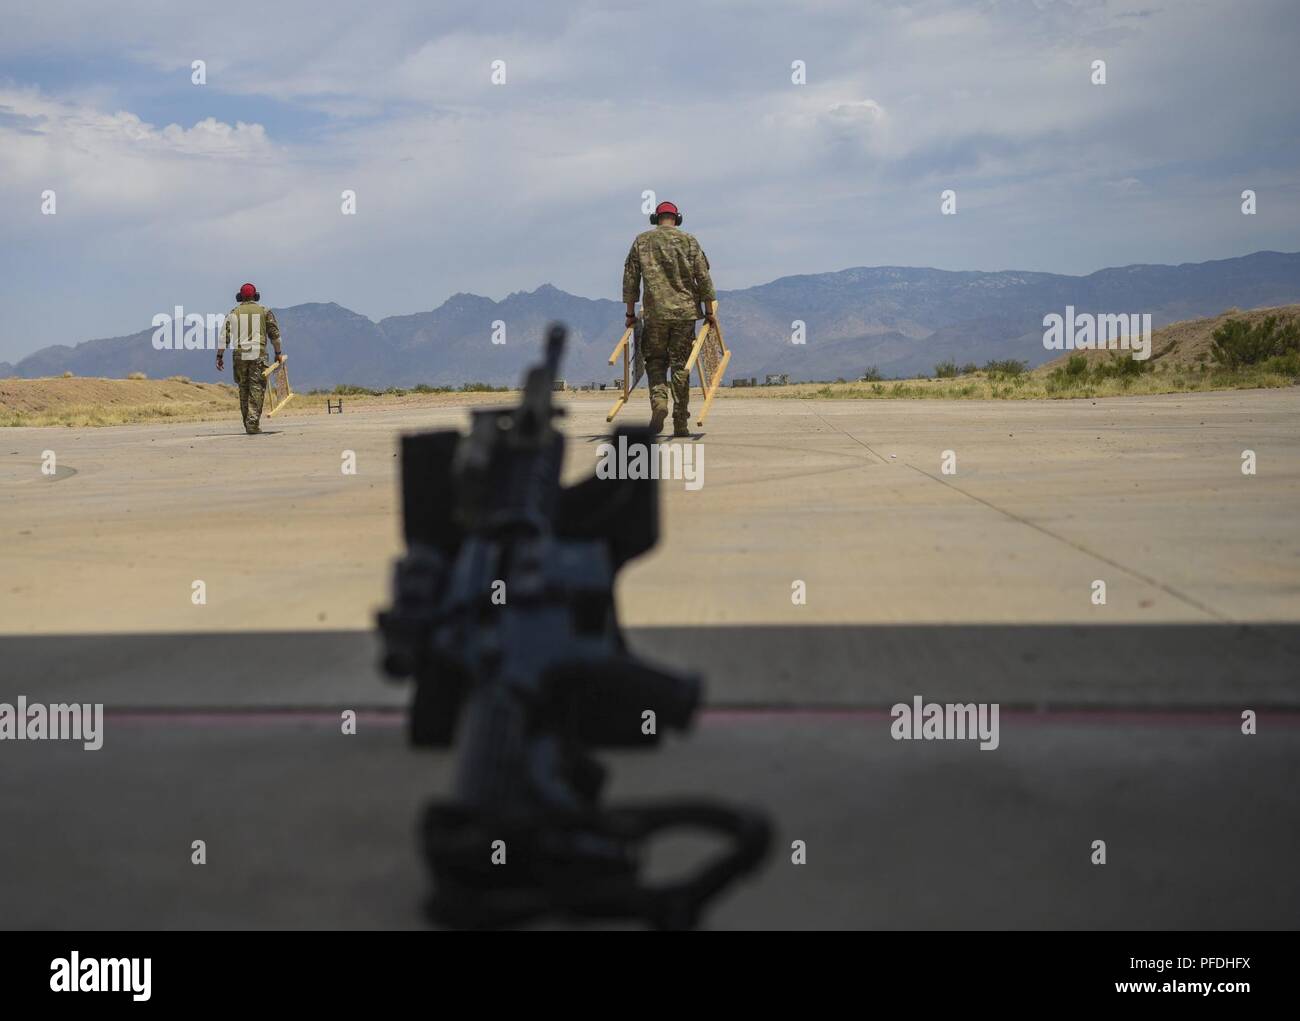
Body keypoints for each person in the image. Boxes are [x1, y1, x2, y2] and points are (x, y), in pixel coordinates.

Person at [622, 201, 716, 436]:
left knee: (655, 361)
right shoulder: (689, 241)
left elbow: (631, 280)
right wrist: (710, 312)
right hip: (685, 315)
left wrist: (630, 314)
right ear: (677, 219)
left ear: (656, 218)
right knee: (681, 367)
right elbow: (703, 277)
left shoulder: (642, 241)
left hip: (655, 314)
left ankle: (659, 402)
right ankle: (680, 422)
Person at [216, 282, 283, 435]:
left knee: (244, 388)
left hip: (239, 354)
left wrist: (219, 356)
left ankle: (248, 423)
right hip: (258, 353)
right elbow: (276, 337)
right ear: (256, 296)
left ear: (240, 297)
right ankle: (252, 424)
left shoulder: (233, 313)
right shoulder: (264, 311)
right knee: (256, 388)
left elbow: (223, 338)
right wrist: (278, 353)